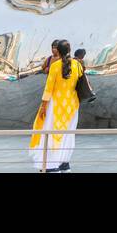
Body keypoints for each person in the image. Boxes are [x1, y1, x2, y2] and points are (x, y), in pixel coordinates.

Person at [29, 39, 83, 173]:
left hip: (55, 106)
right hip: (72, 107)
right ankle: (64, 163)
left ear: (57, 51)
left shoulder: (55, 66)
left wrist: (43, 106)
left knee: (51, 133)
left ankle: (51, 165)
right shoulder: (77, 65)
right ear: (69, 51)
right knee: (67, 135)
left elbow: (48, 89)